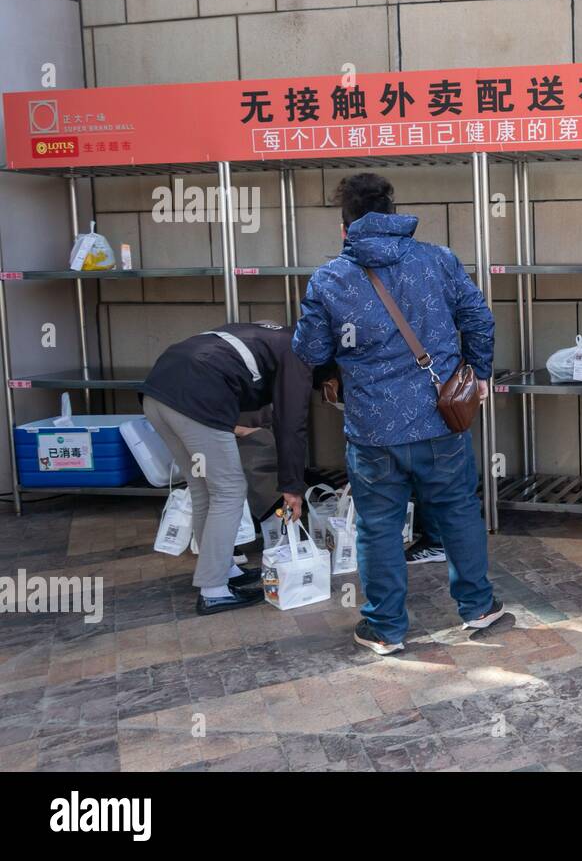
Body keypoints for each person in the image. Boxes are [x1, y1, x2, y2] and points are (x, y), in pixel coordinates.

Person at [292, 172, 502, 656]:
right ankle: (478, 607)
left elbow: (310, 348)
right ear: (392, 212)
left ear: (345, 227)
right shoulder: (438, 259)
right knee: (458, 511)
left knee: (378, 526)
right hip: (440, 418)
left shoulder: (329, 278)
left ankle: (385, 628)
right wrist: (481, 372)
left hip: (371, 430)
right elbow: (478, 317)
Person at [141, 321, 312, 615]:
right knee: (229, 491)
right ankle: (214, 590)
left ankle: (222, 570)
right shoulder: (300, 354)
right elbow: (290, 424)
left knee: (204, 489)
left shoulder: (275, 334)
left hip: (158, 393)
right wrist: (292, 486)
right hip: (195, 397)